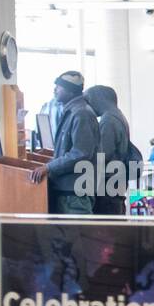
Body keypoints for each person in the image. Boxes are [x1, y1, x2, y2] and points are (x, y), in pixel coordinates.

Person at [41, 70, 99, 215]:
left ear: (71, 92)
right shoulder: (72, 111)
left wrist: (49, 167)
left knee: (78, 236)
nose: (55, 90)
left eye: (59, 87)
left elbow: (81, 153)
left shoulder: (82, 113)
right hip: (68, 189)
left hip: (74, 192)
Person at [84, 84, 135, 216]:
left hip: (108, 184)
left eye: (88, 100)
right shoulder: (117, 116)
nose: (87, 105)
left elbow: (103, 154)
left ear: (99, 99)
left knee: (107, 229)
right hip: (116, 181)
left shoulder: (108, 120)